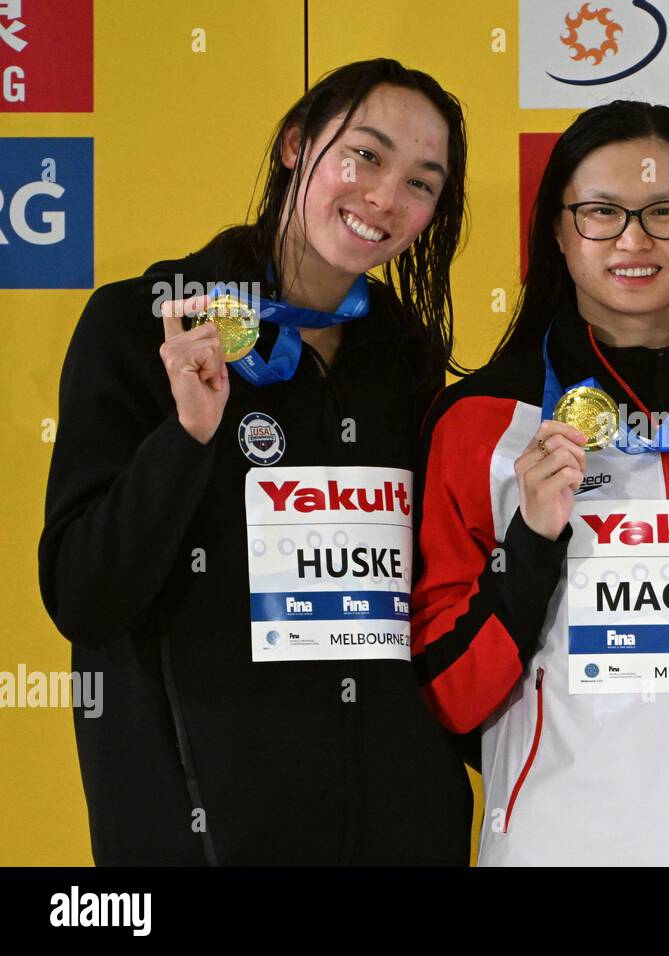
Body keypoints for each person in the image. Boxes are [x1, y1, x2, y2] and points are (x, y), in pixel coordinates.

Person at [38, 59, 474, 865]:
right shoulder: (145, 324)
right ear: (293, 145)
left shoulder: (403, 356)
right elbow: (84, 598)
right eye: (365, 155)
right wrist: (187, 438)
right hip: (204, 832)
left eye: (423, 181)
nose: (385, 197)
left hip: (398, 830)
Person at [410, 100, 669, 866]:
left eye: (666, 211)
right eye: (600, 212)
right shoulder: (480, 421)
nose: (633, 240)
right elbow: (449, 695)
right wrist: (530, 546)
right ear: (559, 233)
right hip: (556, 844)